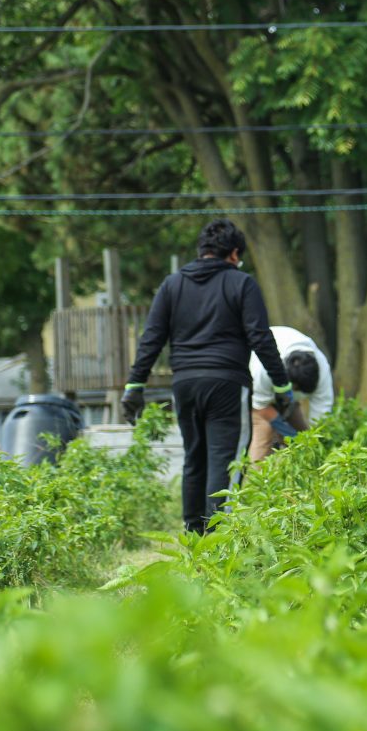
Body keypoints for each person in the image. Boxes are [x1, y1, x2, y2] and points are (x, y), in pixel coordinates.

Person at [122, 218, 295, 533]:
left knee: (195, 457)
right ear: (233, 254)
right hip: (227, 383)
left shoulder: (172, 285)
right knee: (225, 460)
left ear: (202, 251)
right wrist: (282, 385)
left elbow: (152, 338)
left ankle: (193, 533)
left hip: (185, 383)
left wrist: (135, 386)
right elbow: (261, 338)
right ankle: (218, 537)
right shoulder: (241, 284)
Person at [247, 326, 334, 461]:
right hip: (253, 388)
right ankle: (258, 479)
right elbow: (260, 407)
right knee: (264, 434)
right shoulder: (262, 368)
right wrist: (285, 429)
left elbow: (321, 416)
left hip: (284, 394)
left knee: (305, 439)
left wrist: (308, 440)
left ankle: (309, 471)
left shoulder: (322, 371)